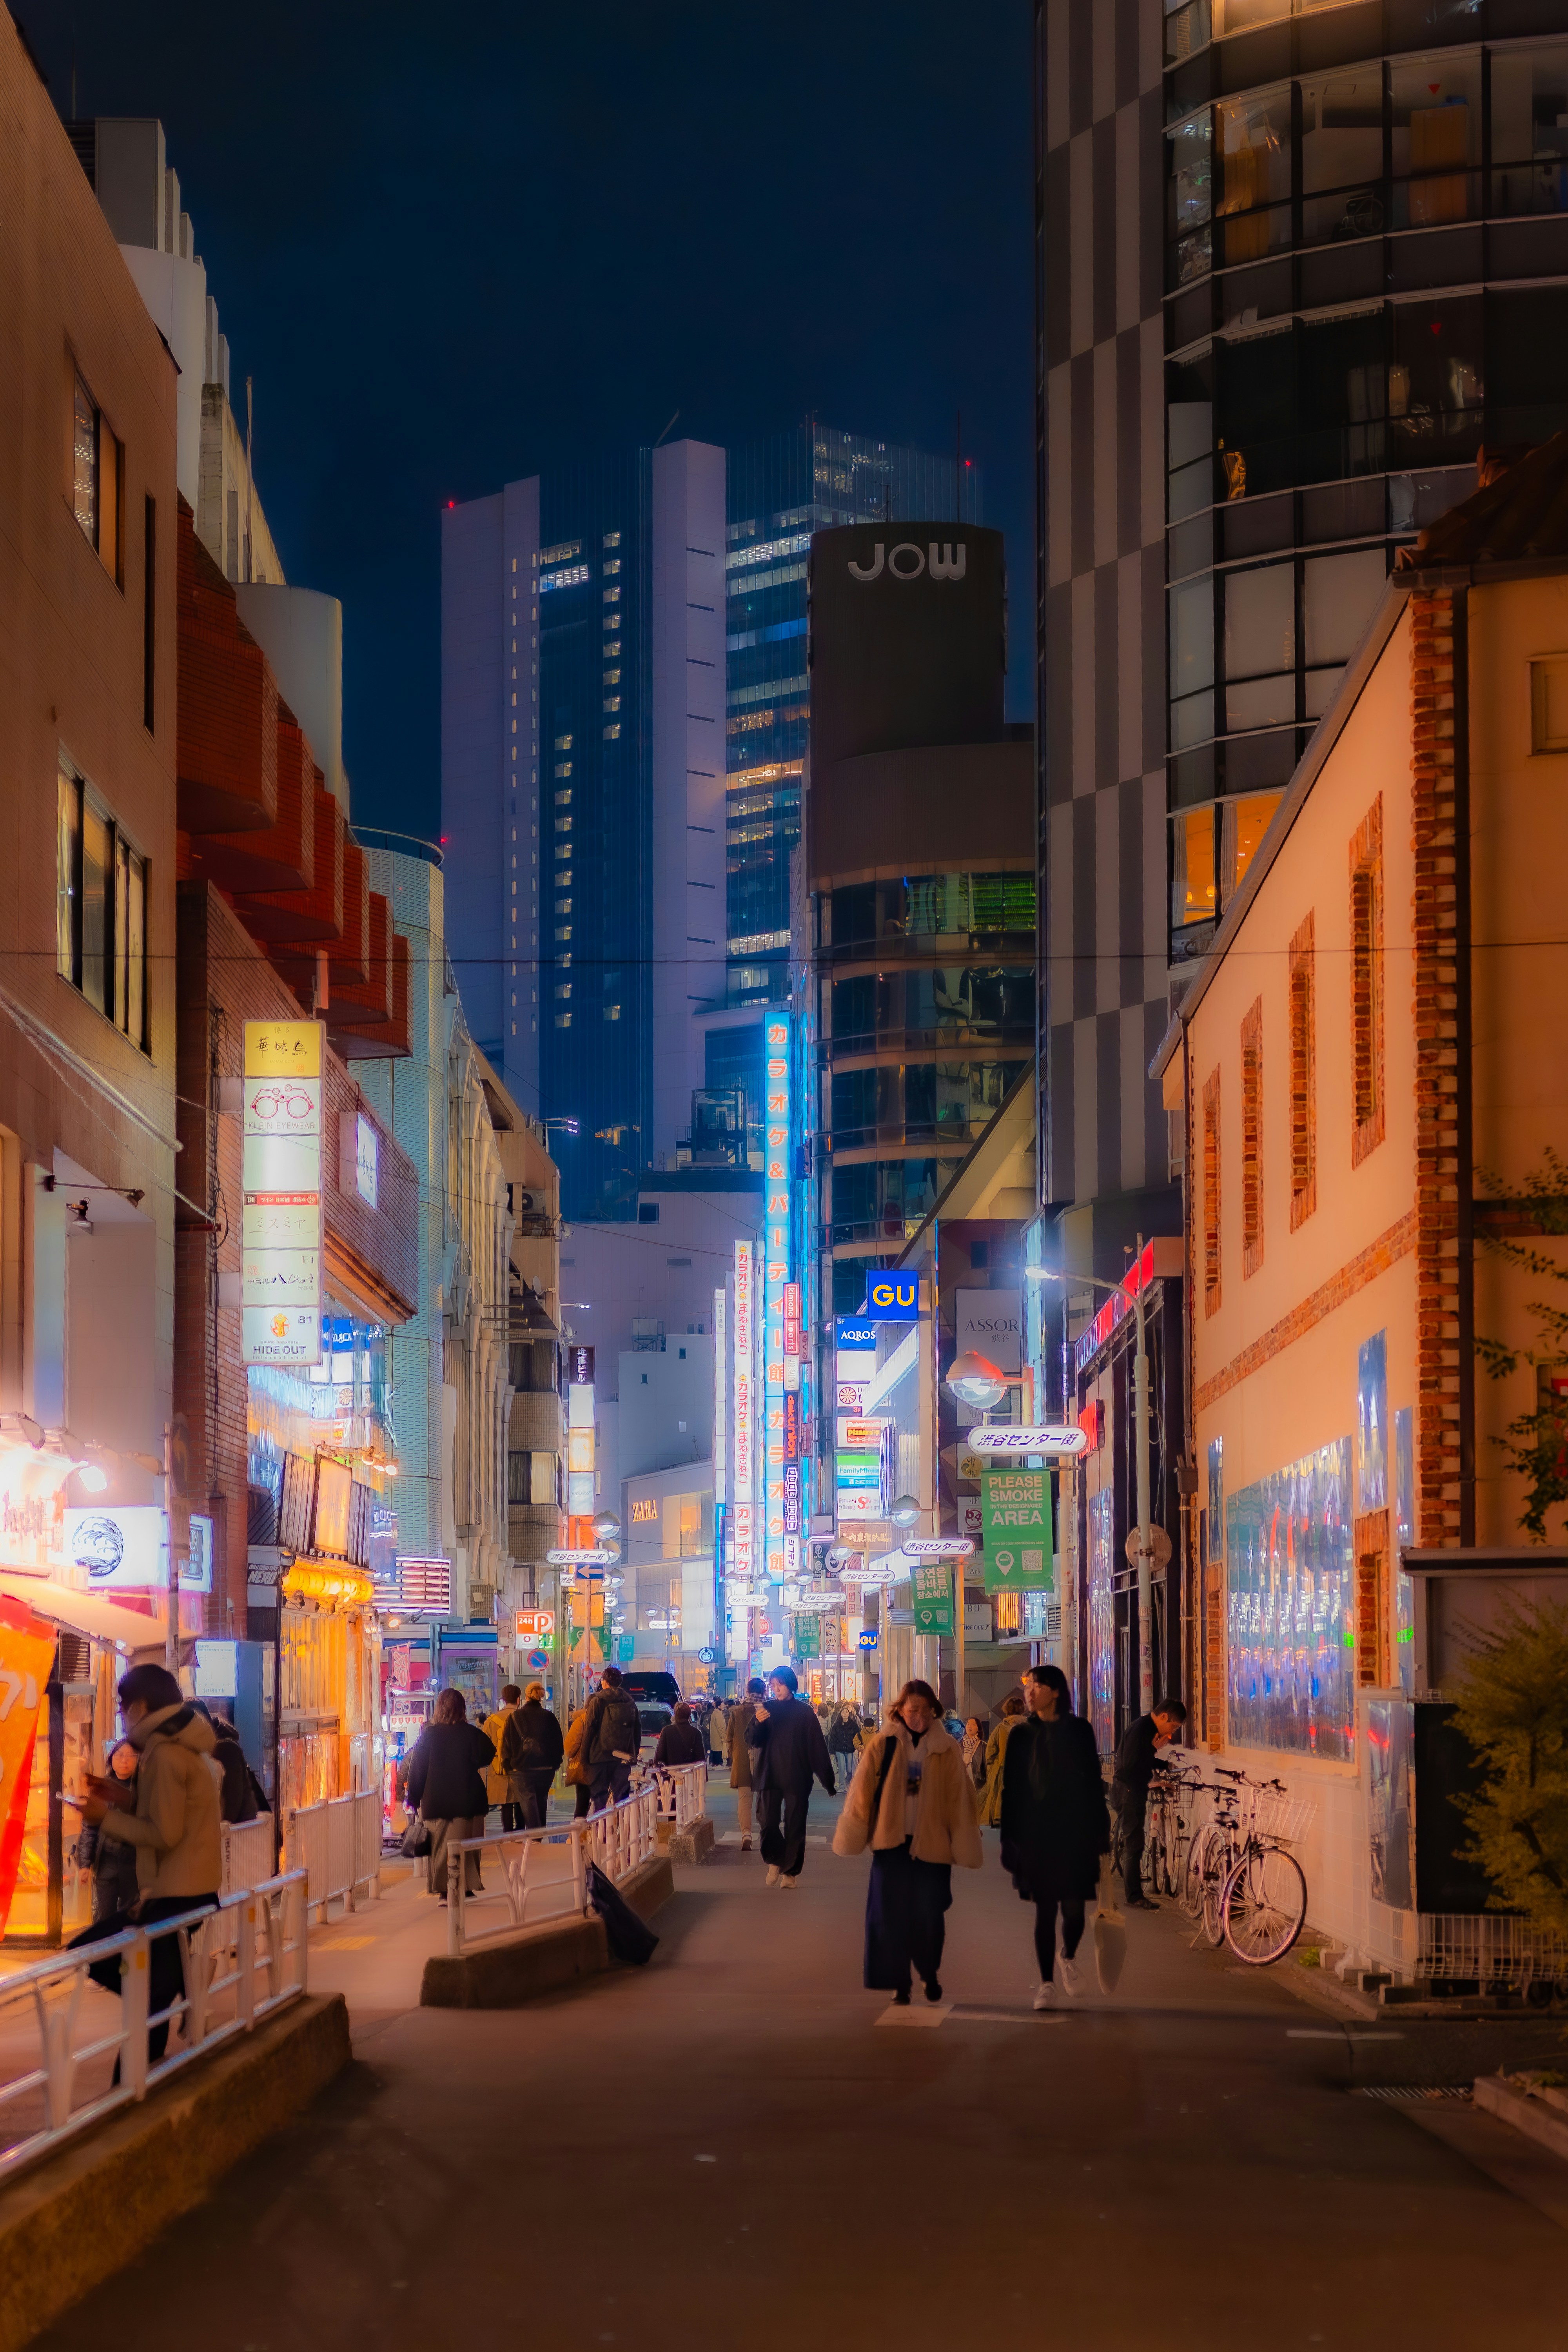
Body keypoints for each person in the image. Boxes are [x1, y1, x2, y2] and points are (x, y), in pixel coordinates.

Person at [74, 1663, 223, 2065]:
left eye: (122, 1705)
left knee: (90, 1950)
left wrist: (106, 1818)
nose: (121, 1713)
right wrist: (122, 1799)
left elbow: (163, 1834)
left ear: (139, 1706)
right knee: (149, 1997)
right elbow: (175, 1815)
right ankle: (140, 2075)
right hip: (192, 1889)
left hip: (175, 1893)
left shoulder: (164, 1753)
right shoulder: (181, 1745)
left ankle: (177, 1991)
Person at [833, 1679, 981, 2005]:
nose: (920, 1718)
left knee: (930, 1914)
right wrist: (856, 1829)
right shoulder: (883, 1744)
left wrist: (965, 1834)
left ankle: (929, 1972)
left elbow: (961, 1797)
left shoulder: (947, 1748)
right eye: (913, 1710)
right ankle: (900, 1983)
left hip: (933, 1845)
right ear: (900, 1709)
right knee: (890, 1916)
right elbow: (862, 1791)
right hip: (892, 1842)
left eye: (926, 1711)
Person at [999, 1663, 1110, 2009]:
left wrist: (1101, 1834)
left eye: (1037, 1686)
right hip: (1035, 1837)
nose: (1029, 1692)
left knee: (1074, 1910)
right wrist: (1008, 1839)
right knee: (1045, 1910)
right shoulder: (1021, 1734)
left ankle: (1068, 1955)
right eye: (1028, 1685)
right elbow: (1011, 1789)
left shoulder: (1079, 1730)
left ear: (1057, 1691)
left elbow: (1093, 1784)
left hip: (1075, 1834)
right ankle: (1046, 1984)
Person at [746, 1664, 835, 1887]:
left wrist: (828, 1780)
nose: (776, 1689)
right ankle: (775, 1860)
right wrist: (758, 1722)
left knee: (795, 1824)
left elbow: (817, 1748)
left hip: (797, 1776)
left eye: (780, 1685)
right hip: (770, 1774)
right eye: (773, 1685)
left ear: (790, 1685)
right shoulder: (765, 1709)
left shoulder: (804, 1712)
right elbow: (752, 1740)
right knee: (767, 1821)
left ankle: (790, 1873)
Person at [404, 1687, 495, 1901]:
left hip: (437, 1802)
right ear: (462, 1709)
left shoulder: (430, 1735)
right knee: (469, 1847)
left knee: (440, 1848)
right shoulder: (470, 1733)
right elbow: (489, 1753)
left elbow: (418, 1769)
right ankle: (467, 1886)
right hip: (469, 1800)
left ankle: (445, 1891)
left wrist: (413, 1799)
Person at [1111, 1695, 1188, 1909]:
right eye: (1173, 1726)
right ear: (1163, 1717)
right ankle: (1134, 1896)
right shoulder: (1142, 1730)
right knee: (1134, 1844)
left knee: (1135, 1843)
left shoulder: (1144, 1727)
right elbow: (1132, 1764)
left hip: (1130, 1790)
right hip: (1128, 1791)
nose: (1171, 1734)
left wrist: (1166, 1765)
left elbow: (1142, 1759)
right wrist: (1155, 1752)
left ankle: (1135, 1894)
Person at [76, 1739, 142, 1926]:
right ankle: (105, 1955)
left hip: (135, 1865)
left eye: (131, 1756)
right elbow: (89, 1829)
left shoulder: (144, 1790)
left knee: (132, 1917)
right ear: (111, 1759)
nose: (125, 1760)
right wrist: (85, 1865)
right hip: (107, 1863)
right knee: (105, 1916)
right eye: (120, 1755)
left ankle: (128, 1955)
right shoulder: (101, 1789)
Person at [499, 1682, 564, 1829]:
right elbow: (558, 1743)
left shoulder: (515, 1717)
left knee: (528, 1800)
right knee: (542, 1799)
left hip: (521, 1768)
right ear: (541, 1696)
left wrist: (508, 1764)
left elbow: (507, 1744)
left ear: (526, 1696)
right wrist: (556, 1762)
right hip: (546, 1768)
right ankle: (540, 1832)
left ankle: (536, 1834)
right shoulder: (549, 1717)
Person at [578, 1667, 641, 1813]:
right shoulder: (630, 1701)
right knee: (622, 1798)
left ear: (605, 1682)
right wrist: (634, 1754)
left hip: (600, 1757)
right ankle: (621, 1831)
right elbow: (637, 1730)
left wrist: (584, 1759)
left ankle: (602, 1832)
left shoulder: (598, 1700)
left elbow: (589, 1730)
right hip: (623, 1757)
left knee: (599, 1798)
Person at [978, 1690, 1027, 1826]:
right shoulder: (1030, 1728)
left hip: (1003, 1770)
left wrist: (993, 1767)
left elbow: (991, 1752)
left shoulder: (1002, 1728)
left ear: (1007, 1710)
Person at [729, 1676, 764, 1850]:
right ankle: (767, 1832)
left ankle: (746, 1834)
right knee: (765, 1798)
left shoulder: (737, 1712)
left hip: (742, 1761)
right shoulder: (769, 1711)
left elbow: (729, 1739)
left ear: (748, 1692)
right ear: (764, 1691)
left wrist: (734, 1756)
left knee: (745, 1799)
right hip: (765, 1762)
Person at [483, 1685, 523, 1828]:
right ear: (519, 1699)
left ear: (503, 1700)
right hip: (520, 1769)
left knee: (506, 1806)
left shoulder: (492, 1721)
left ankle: (508, 1836)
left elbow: (484, 1745)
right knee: (520, 1803)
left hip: (499, 1769)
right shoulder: (523, 1717)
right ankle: (520, 1835)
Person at [653, 1700, 707, 1768]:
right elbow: (700, 1758)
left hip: (671, 1774)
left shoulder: (667, 1731)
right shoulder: (696, 1733)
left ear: (676, 1715)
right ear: (689, 1715)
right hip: (690, 1774)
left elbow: (660, 1756)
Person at [827, 1702, 863, 1793]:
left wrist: (857, 1746)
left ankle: (848, 1784)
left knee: (849, 1769)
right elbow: (832, 1738)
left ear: (849, 1714)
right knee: (842, 1768)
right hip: (839, 1749)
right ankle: (842, 1787)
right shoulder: (836, 1725)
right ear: (841, 1714)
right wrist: (832, 1751)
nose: (845, 1714)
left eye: (847, 1712)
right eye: (843, 1712)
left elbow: (858, 1736)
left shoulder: (854, 1725)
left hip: (850, 1749)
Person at [960, 1716, 986, 1788]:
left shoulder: (983, 1746)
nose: (970, 1727)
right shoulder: (960, 1744)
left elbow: (987, 1766)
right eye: (968, 1724)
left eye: (973, 1725)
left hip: (977, 1781)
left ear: (979, 1729)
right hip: (962, 1780)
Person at [708, 1697, 729, 1766]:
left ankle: (714, 1764)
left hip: (714, 1739)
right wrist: (724, 1738)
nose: (724, 1706)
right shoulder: (719, 1714)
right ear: (719, 1706)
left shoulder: (714, 1713)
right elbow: (721, 1728)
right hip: (719, 1739)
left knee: (715, 1752)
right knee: (718, 1755)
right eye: (723, 1705)